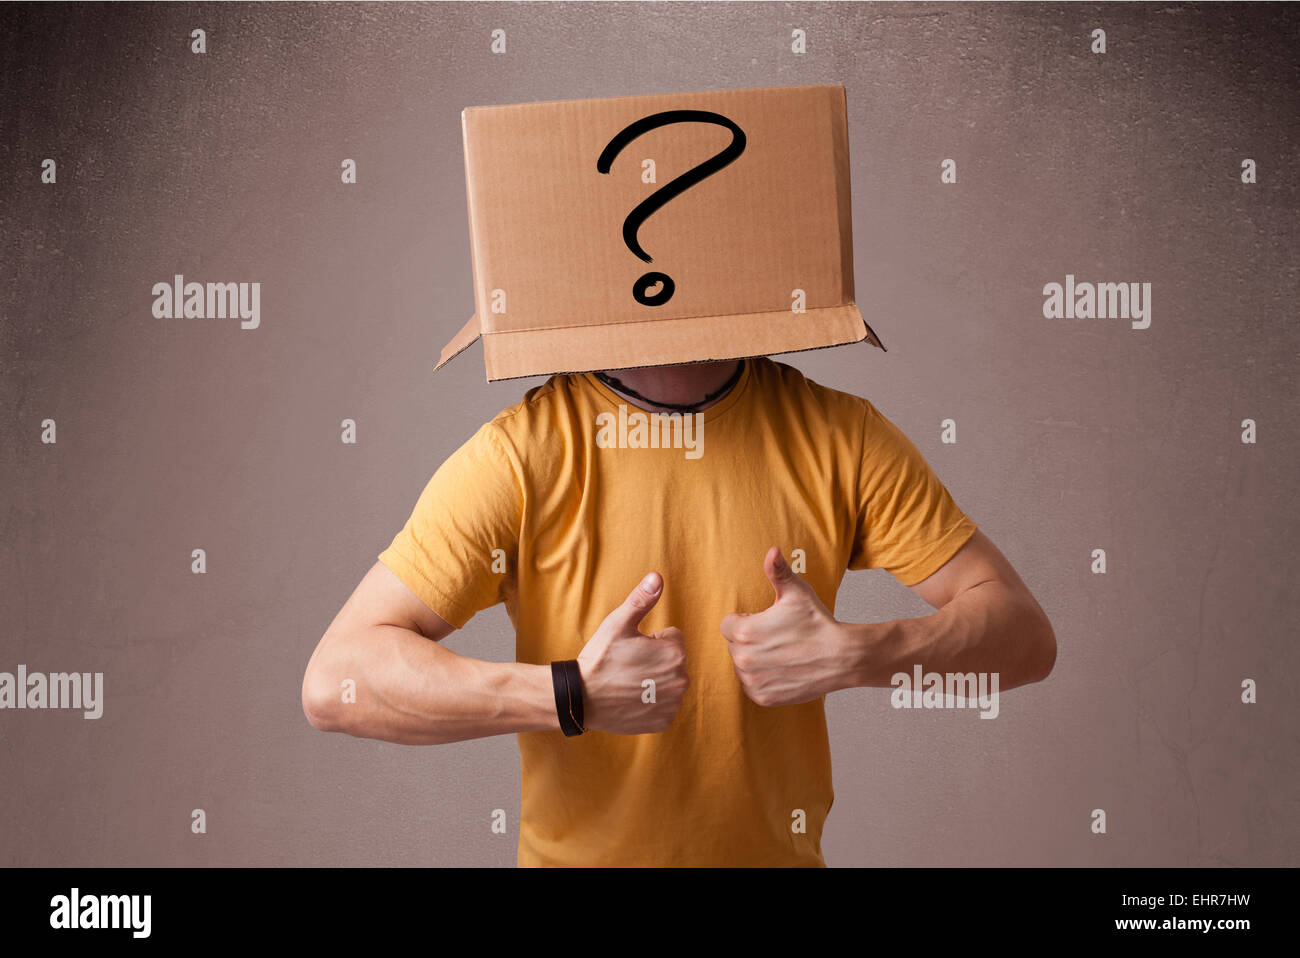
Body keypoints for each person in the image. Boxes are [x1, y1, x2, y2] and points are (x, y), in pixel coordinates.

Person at [301, 355, 1056, 866]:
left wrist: (863, 653)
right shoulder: (522, 455)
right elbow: (336, 680)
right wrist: (569, 693)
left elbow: (1025, 637)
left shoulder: (839, 436)